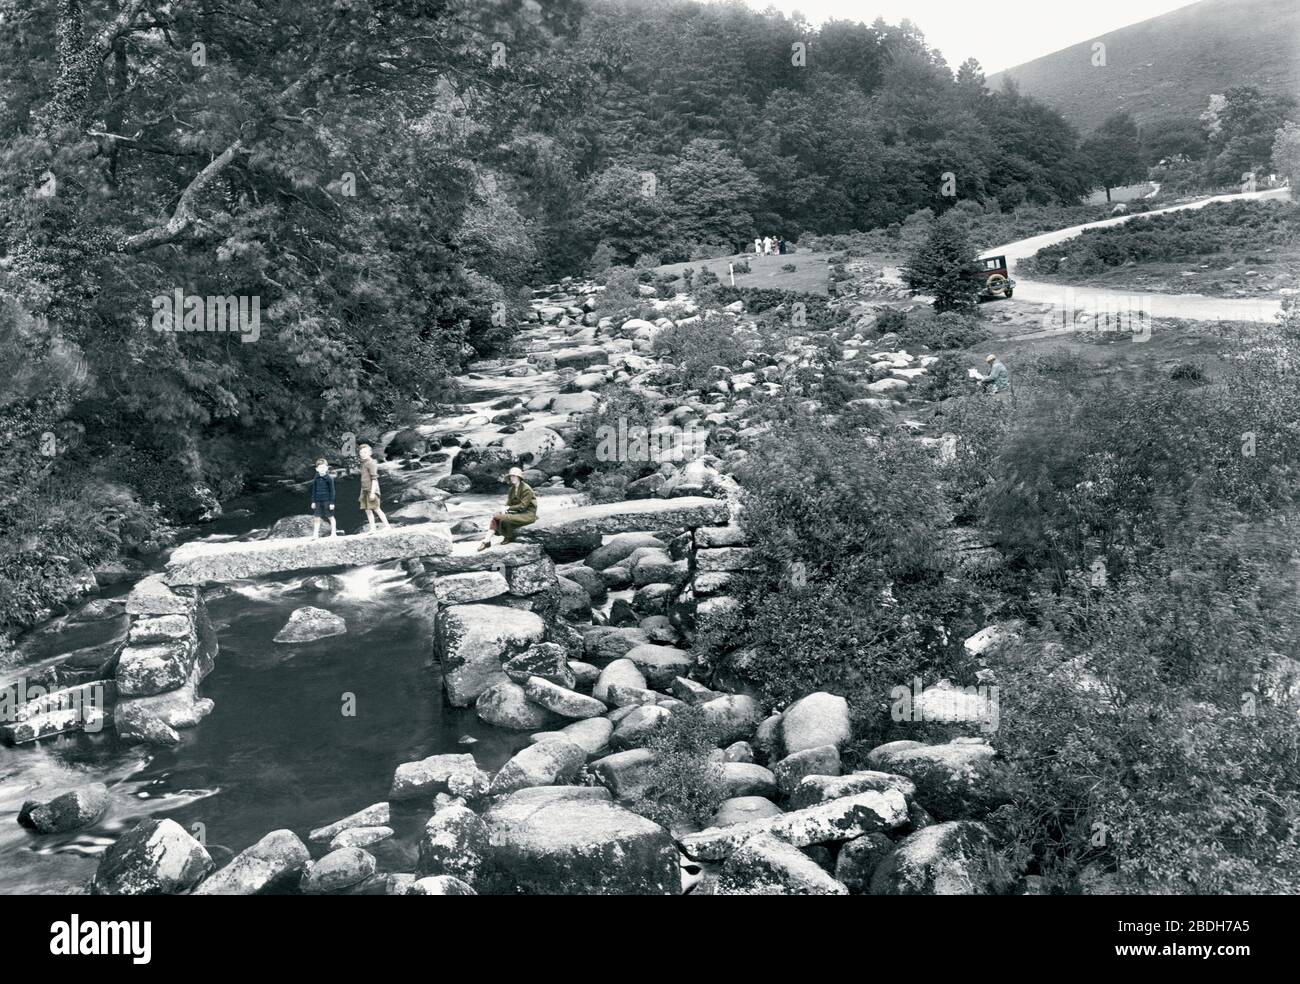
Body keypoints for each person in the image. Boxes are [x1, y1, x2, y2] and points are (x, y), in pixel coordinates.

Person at [479, 466, 537, 551]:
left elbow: (523, 506)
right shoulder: (512, 489)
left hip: (527, 514)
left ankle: (506, 537)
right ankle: (487, 541)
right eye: (511, 476)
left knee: (499, 518)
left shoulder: (527, 489)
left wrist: (508, 508)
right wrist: (503, 509)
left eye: (514, 476)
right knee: (498, 516)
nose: (512, 478)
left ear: (519, 477)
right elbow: (508, 503)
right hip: (517, 512)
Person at [358, 443, 390, 533]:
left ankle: (387, 526)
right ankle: (373, 528)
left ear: (370, 453)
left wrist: (372, 492)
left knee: (376, 508)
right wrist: (362, 491)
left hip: (371, 490)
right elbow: (364, 479)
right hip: (364, 490)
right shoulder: (364, 463)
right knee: (367, 509)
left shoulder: (371, 463)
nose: (363, 454)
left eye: (365, 452)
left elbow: (374, 479)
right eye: (361, 452)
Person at [309, 458, 337, 538]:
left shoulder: (329, 478)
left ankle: (334, 533)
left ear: (327, 468)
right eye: (320, 468)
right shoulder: (316, 478)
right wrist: (313, 501)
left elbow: (332, 491)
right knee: (316, 517)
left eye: (324, 467)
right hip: (318, 500)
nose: (322, 469)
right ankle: (315, 534)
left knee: (330, 516)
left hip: (327, 500)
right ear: (317, 469)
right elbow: (314, 490)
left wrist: (332, 503)